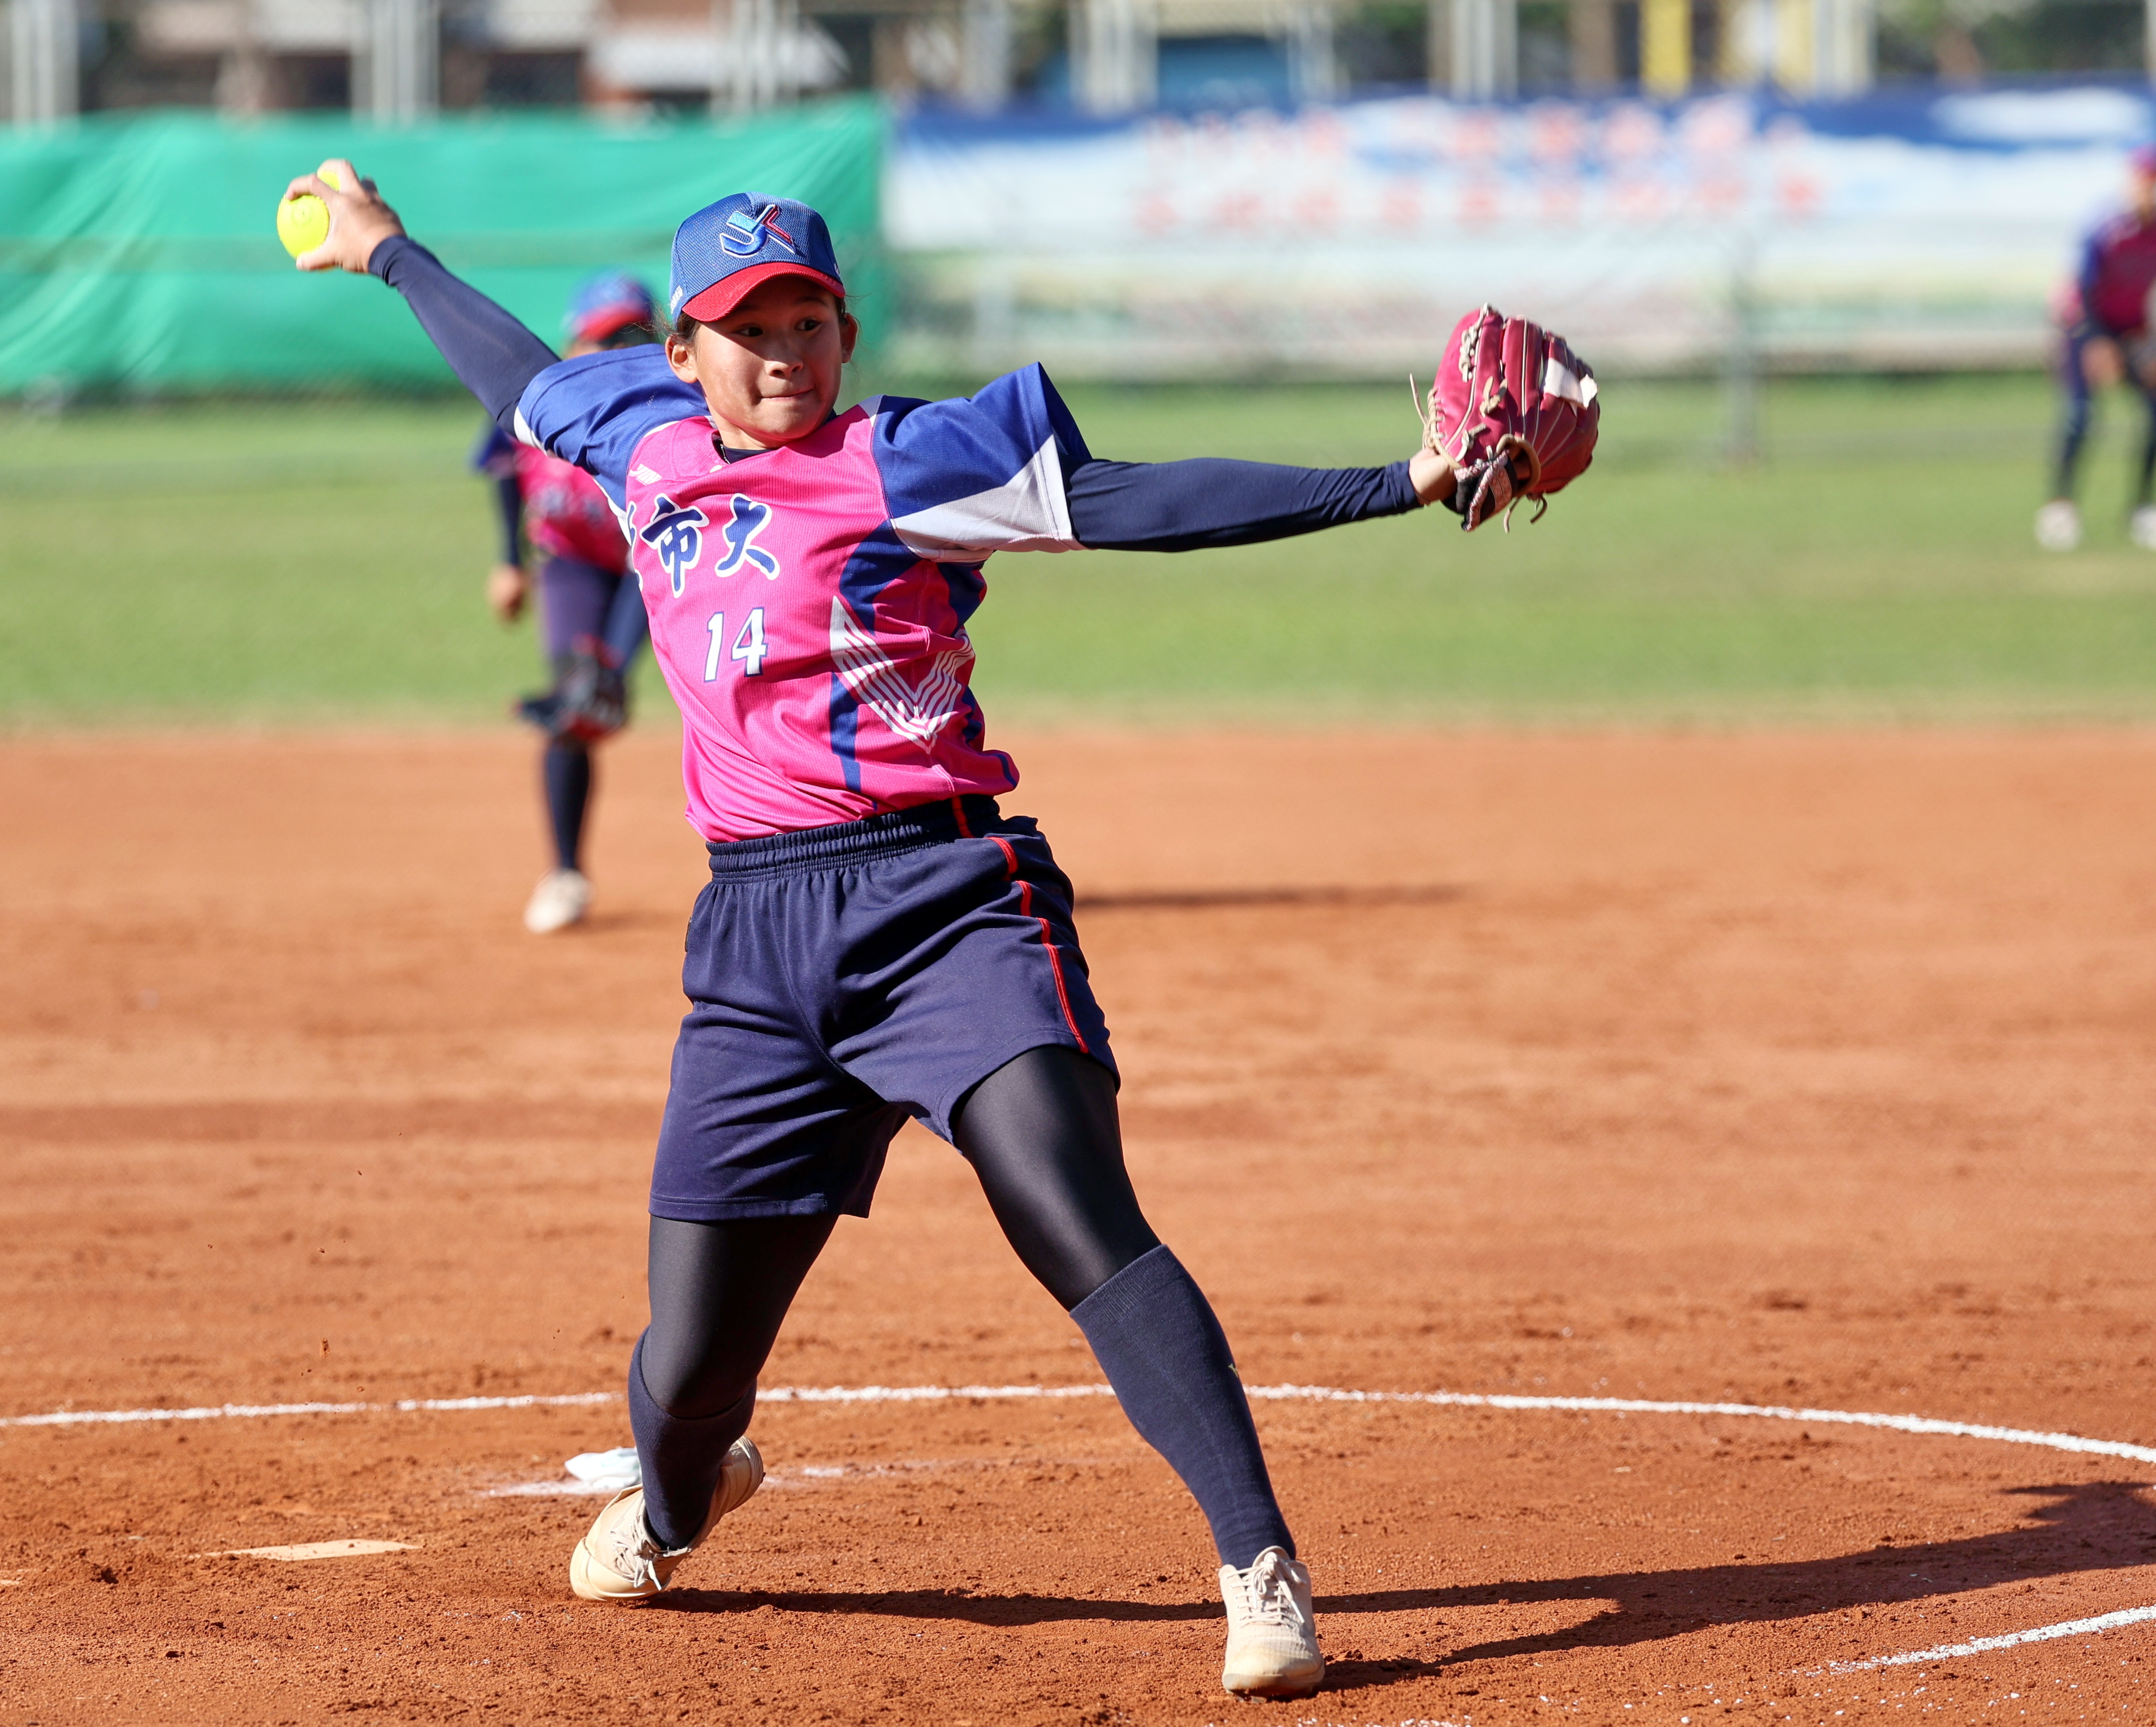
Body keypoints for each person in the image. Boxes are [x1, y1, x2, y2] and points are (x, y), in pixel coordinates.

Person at [286, 163, 1499, 1702]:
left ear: (845, 329)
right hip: (754, 946)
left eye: (809, 321)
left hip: (947, 911)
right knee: (689, 1367)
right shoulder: (634, 437)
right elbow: (517, 374)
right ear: (684, 349)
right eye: (747, 328)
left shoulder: (912, 460)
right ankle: (679, 1495)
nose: (784, 353)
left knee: (1072, 1205)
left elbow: (1141, 502)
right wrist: (390, 254)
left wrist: (1397, 477)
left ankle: (1260, 1567)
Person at [479, 272, 658, 933]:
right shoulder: (541, 403)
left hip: (652, 565)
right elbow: (503, 469)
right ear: (574, 341)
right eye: (606, 336)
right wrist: (507, 560)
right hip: (573, 561)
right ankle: (565, 873)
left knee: (599, 687)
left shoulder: (673, 403)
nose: (618, 350)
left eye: (634, 336)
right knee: (579, 699)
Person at [2040, 145, 2156, 552]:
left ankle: (2142, 508)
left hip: (2131, 330)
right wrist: (2096, 343)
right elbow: (2085, 289)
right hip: (2085, 325)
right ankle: (2060, 506)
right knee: (2081, 413)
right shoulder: (2108, 225)